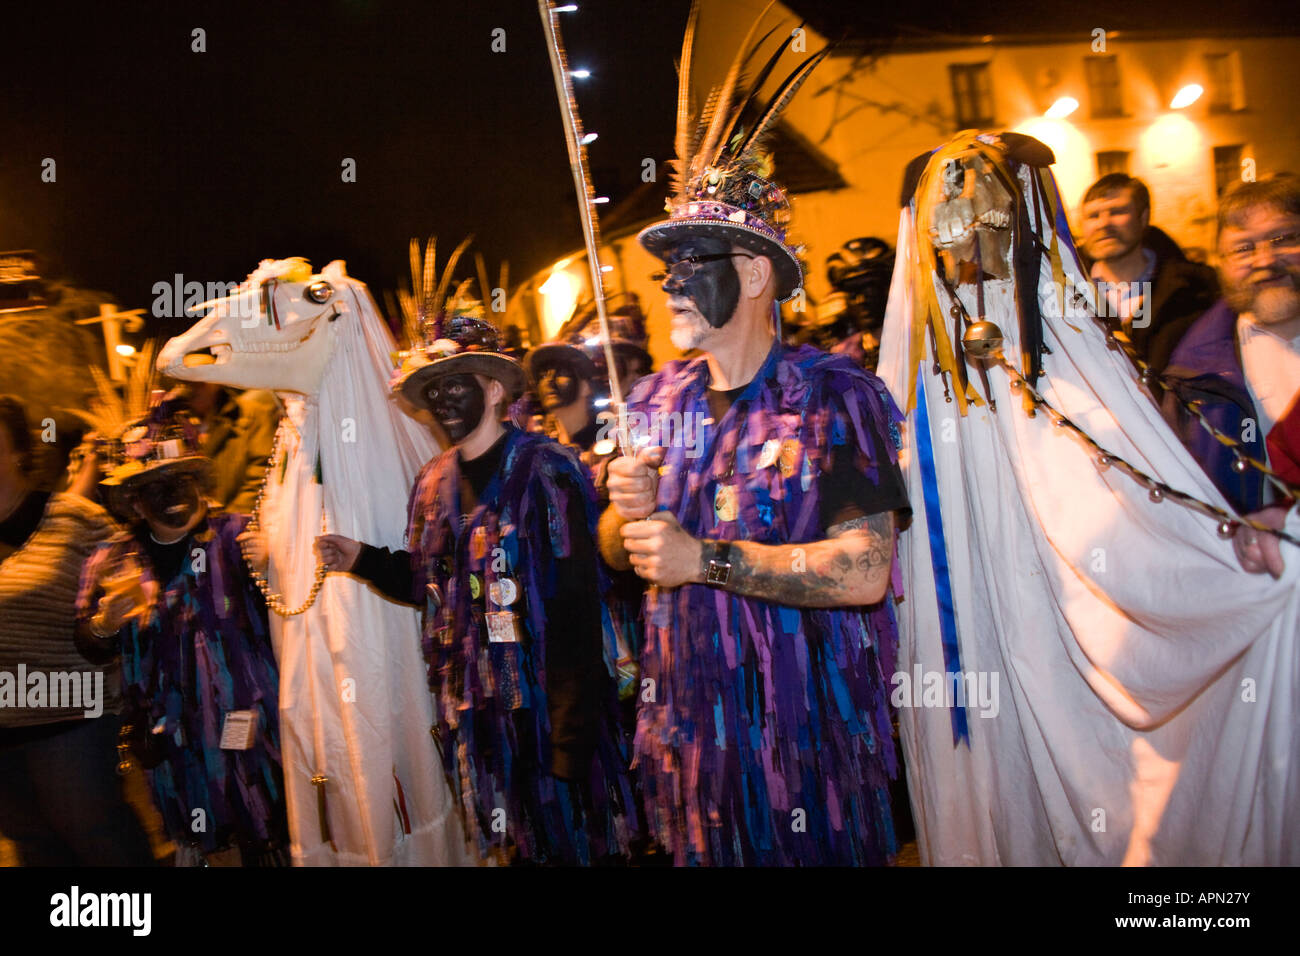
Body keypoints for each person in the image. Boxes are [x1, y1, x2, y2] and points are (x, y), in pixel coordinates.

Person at [598, 9, 910, 866]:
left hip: (808, 757)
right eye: (664, 273)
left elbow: (864, 571)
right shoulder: (657, 399)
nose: (669, 290)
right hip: (692, 752)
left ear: (756, 272)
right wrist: (624, 515)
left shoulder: (837, 396)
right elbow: (621, 556)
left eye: (689, 267)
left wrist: (707, 558)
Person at [316, 285, 636, 865]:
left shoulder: (547, 471)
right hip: (483, 716)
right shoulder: (432, 482)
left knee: (578, 846)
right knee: (521, 847)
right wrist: (358, 557)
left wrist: (569, 737)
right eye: (432, 390)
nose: (442, 401)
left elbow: (575, 606)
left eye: (455, 385)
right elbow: (429, 583)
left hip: (551, 709)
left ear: (493, 390)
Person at [74, 396, 288, 865]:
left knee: (269, 839)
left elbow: (288, 613)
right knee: (203, 844)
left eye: (182, 480)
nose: (173, 494)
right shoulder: (113, 560)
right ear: (132, 500)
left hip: (253, 738)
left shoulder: (238, 536)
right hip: (173, 748)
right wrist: (106, 623)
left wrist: (273, 569)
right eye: (156, 486)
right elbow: (89, 644)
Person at [0, 393, 155, 866]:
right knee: (35, 851)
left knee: (100, 841)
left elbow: (135, 594)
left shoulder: (72, 519)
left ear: (17, 451)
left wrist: (116, 617)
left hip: (69, 721)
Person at [1078, 173, 1220, 372]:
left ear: (1143, 217)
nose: (1104, 223)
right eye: (1093, 216)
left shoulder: (1195, 291)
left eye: (1117, 211)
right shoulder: (1066, 291)